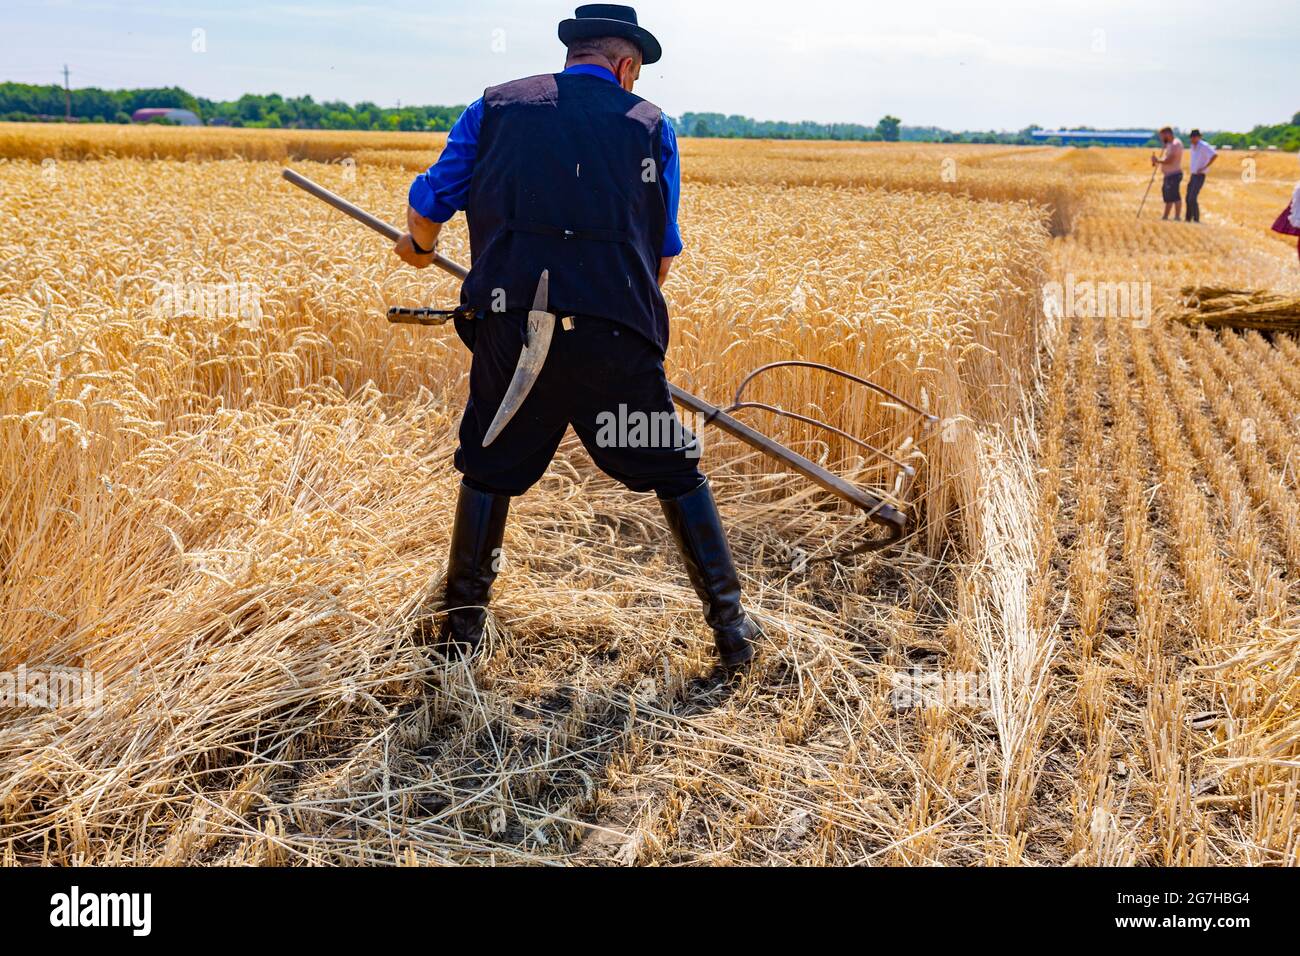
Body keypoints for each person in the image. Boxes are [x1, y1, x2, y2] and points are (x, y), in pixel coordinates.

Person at [393, 5, 761, 671]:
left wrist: (420, 248)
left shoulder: (494, 108)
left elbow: (427, 207)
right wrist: (609, 308)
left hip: (513, 334)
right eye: (635, 72)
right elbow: (661, 258)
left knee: (487, 468)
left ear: (574, 54)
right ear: (625, 66)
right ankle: (732, 631)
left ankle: (459, 640)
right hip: (615, 337)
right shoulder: (651, 127)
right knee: (674, 468)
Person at [1151, 127, 1185, 221]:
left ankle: (1177, 216)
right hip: (1168, 174)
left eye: (1162, 136)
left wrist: (1158, 160)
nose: (1161, 138)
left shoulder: (1175, 144)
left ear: (1168, 134)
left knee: (1174, 195)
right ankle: (1165, 216)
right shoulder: (1169, 144)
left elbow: (1170, 160)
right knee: (1168, 196)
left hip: (1174, 173)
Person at [1185, 129, 1217, 224]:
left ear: (1199, 137)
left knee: (1192, 197)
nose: (1193, 139)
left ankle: (1196, 219)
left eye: (1195, 137)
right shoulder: (1192, 146)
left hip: (1200, 175)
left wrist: (1205, 167)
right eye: (1192, 137)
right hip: (1193, 174)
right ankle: (1188, 218)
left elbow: (1214, 155)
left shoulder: (1204, 145)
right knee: (1188, 197)